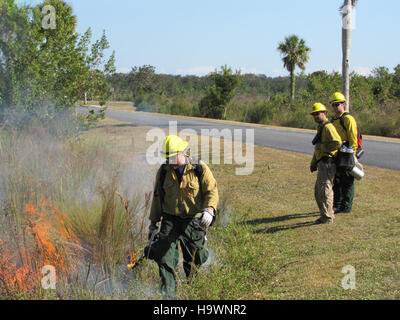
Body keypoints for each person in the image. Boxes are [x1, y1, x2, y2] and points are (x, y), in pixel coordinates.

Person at [147, 135, 219, 298]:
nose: (170, 162)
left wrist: (209, 209)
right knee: (164, 259)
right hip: (170, 220)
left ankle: (193, 292)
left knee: (195, 259)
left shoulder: (199, 168)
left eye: (172, 157)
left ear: (182, 152)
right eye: (167, 158)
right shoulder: (164, 171)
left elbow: (212, 191)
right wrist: (153, 225)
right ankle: (169, 296)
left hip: (192, 221)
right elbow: (158, 198)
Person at [310, 103, 342, 224]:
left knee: (325, 191)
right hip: (322, 163)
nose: (316, 116)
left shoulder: (328, 127)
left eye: (318, 114)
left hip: (328, 163)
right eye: (314, 115)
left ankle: (328, 217)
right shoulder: (321, 127)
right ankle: (325, 215)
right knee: (319, 190)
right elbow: (317, 147)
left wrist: (324, 150)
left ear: (324, 113)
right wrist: (313, 162)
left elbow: (337, 143)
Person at [330, 92, 358, 214]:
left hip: (347, 152)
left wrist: (352, 155)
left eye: (338, 104)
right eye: (334, 105)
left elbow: (353, 138)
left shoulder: (347, 119)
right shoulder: (333, 120)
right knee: (336, 180)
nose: (336, 107)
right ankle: (337, 204)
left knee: (347, 180)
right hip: (337, 153)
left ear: (344, 104)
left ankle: (346, 207)